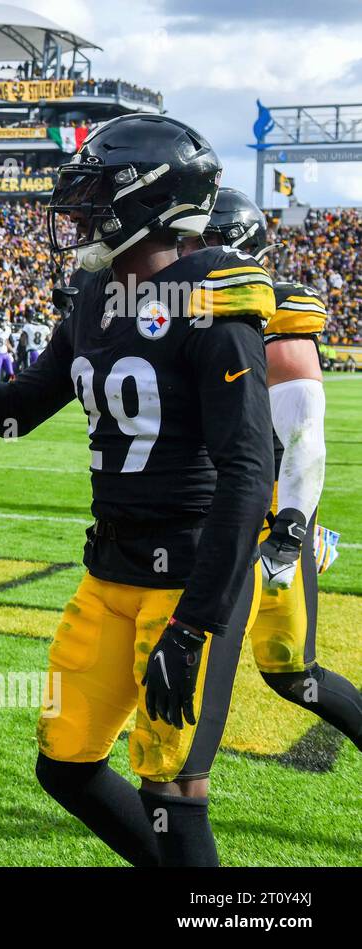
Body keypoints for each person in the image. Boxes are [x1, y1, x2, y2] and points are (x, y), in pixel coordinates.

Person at [0, 115, 275, 866]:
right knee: (65, 761)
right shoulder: (95, 295)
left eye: (98, 192)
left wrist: (197, 625)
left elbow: (248, 470)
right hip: (111, 570)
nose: (81, 210)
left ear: (150, 201)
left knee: (172, 787)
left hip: (191, 573)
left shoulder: (211, 302)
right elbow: (11, 416)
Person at [184, 189, 361, 750]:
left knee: (288, 671)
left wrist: (292, 528)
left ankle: (173, 802)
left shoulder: (274, 316)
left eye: (198, 241)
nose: (184, 253)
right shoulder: (183, 306)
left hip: (256, 525)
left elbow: (304, 436)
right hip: (204, 515)